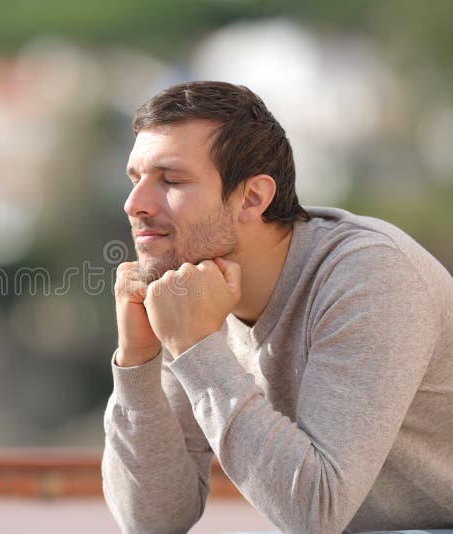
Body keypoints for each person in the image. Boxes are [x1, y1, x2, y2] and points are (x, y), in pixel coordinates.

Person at [101, 81, 453, 534]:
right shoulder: (190, 291)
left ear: (252, 198)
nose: (135, 204)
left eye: (170, 180)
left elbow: (314, 514)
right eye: (135, 179)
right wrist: (136, 362)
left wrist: (196, 347)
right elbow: (152, 519)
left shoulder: (369, 276)